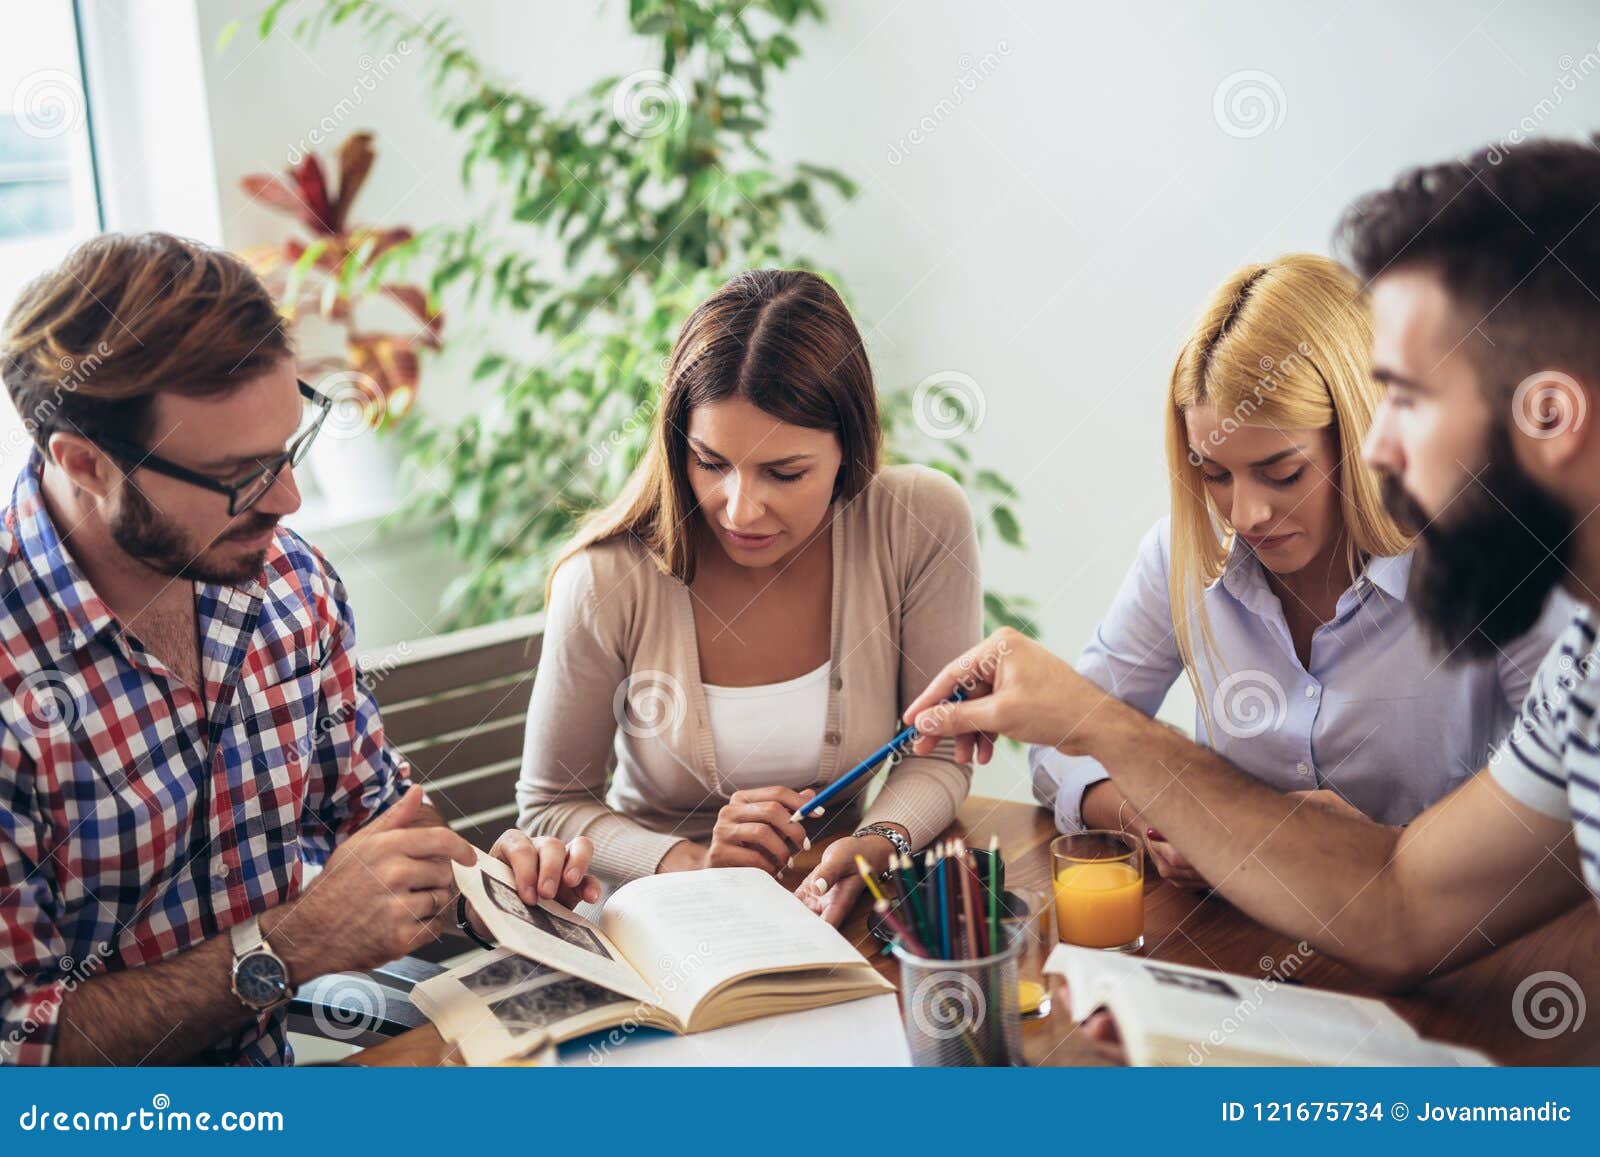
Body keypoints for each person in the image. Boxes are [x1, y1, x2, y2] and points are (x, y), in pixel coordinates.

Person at [904, 140, 1600, 1049]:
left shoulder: (1524, 613)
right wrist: (1102, 735)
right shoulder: (1584, 677)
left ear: (1550, 413)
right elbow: (1402, 901)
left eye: (1409, 400)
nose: (1382, 452)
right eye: (1215, 473)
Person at [0, 233, 592, 1066]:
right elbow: (14, 1046)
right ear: (85, 463)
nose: (288, 498)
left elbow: (378, 816)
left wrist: (491, 884)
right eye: (241, 474)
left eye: (291, 446)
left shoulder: (289, 584)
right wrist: (282, 947)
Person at [1031, 254, 1567, 888]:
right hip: (1239, 939)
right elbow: (1060, 743)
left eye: (1282, 473)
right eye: (1214, 475)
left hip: (1445, 951)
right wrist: (1167, 818)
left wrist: (1393, 850)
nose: (1248, 514)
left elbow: (1576, 795)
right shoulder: (1185, 553)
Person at [515, 268, 982, 925]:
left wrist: (878, 843)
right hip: (662, 926)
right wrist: (696, 863)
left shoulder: (919, 523)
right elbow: (551, 806)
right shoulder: (605, 579)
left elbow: (935, 750)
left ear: (849, 448)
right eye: (710, 462)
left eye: (784, 472)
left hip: (839, 920)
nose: (739, 508)